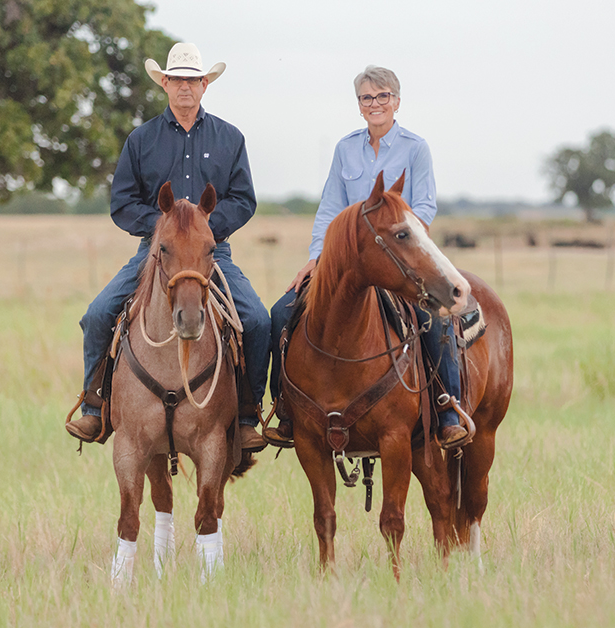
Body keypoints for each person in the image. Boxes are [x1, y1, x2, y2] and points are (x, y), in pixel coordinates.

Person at [66, 43, 269, 453]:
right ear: (164, 83)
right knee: (98, 314)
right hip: (155, 253)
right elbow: (122, 203)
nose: (184, 87)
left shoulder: (230, 138)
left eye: (192, 80)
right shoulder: (141, 140)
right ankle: (95, 407)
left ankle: (248, 415)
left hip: (212, 254)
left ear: (205, 84)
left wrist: (205, 231)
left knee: (259, 320)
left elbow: (244, 199)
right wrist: (163, 230)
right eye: (177, 79)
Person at [263, 65, 470, 450]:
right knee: (280, 313)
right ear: (359, 105)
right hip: (347, 263)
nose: (375, 104)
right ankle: (286, 409)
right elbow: (330, 206)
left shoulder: (415, 148)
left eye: (383, 96)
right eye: (367, 98)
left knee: (434, 316)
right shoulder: (345, 149)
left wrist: (403, 245)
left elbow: (424, 206)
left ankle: (447, 409)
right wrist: (316, 257)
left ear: (397, 101)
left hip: (399, 257)